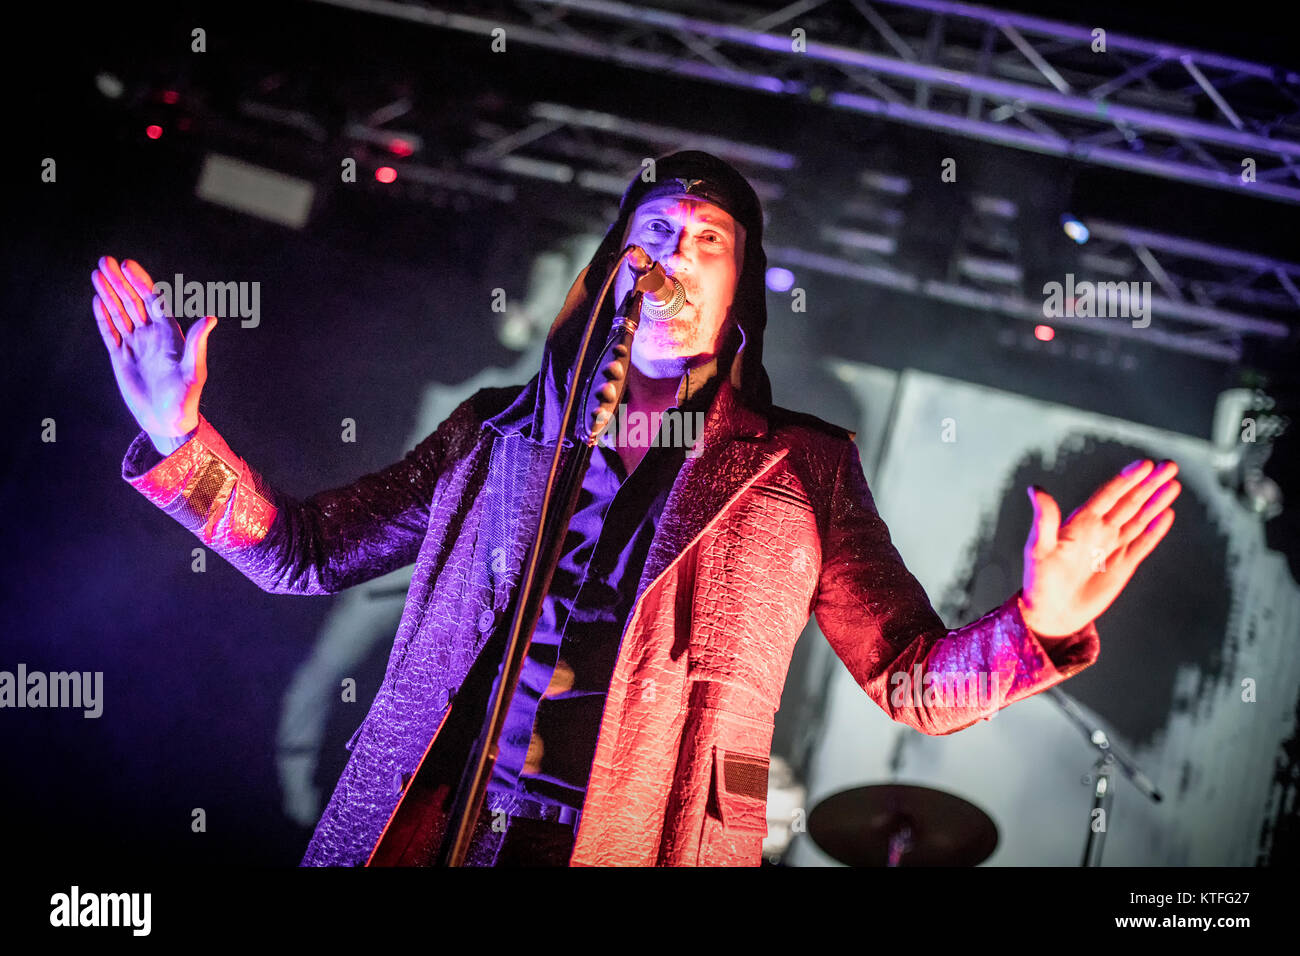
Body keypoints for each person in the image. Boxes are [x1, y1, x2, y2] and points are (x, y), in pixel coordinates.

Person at [92, 150, 1180, 866]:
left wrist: (1036, 626)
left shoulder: (800, 466)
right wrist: (183, 438)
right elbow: (304, 552)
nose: (676, 256)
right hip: (431, 832)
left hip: (638, 836)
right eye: (655, 234)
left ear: (736, 291)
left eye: (708, 243)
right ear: (614, 270)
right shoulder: (496, 433)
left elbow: (908, 677)